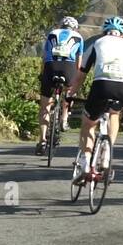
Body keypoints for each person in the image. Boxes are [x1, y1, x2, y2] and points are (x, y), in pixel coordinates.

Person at [68, 16, 123, 181]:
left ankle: (85, 163)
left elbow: (81, 75)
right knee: (114, 114)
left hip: (103, 84)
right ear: (122, 34)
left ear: (104, 32)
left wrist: (70, 94)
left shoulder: (97, 43)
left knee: (88, 123)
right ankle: (106, 155)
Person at [36, 16, 84, 156]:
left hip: (51, 67)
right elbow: (79, 64)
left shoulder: (52, 33)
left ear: (61, 25)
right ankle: (64, 118)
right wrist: (76, 79)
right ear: (74, 28)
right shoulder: (79, 37)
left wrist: (42, 73)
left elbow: (45, 57)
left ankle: (42, 140)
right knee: (70, 91)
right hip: (68, 68)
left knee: (45, 106)